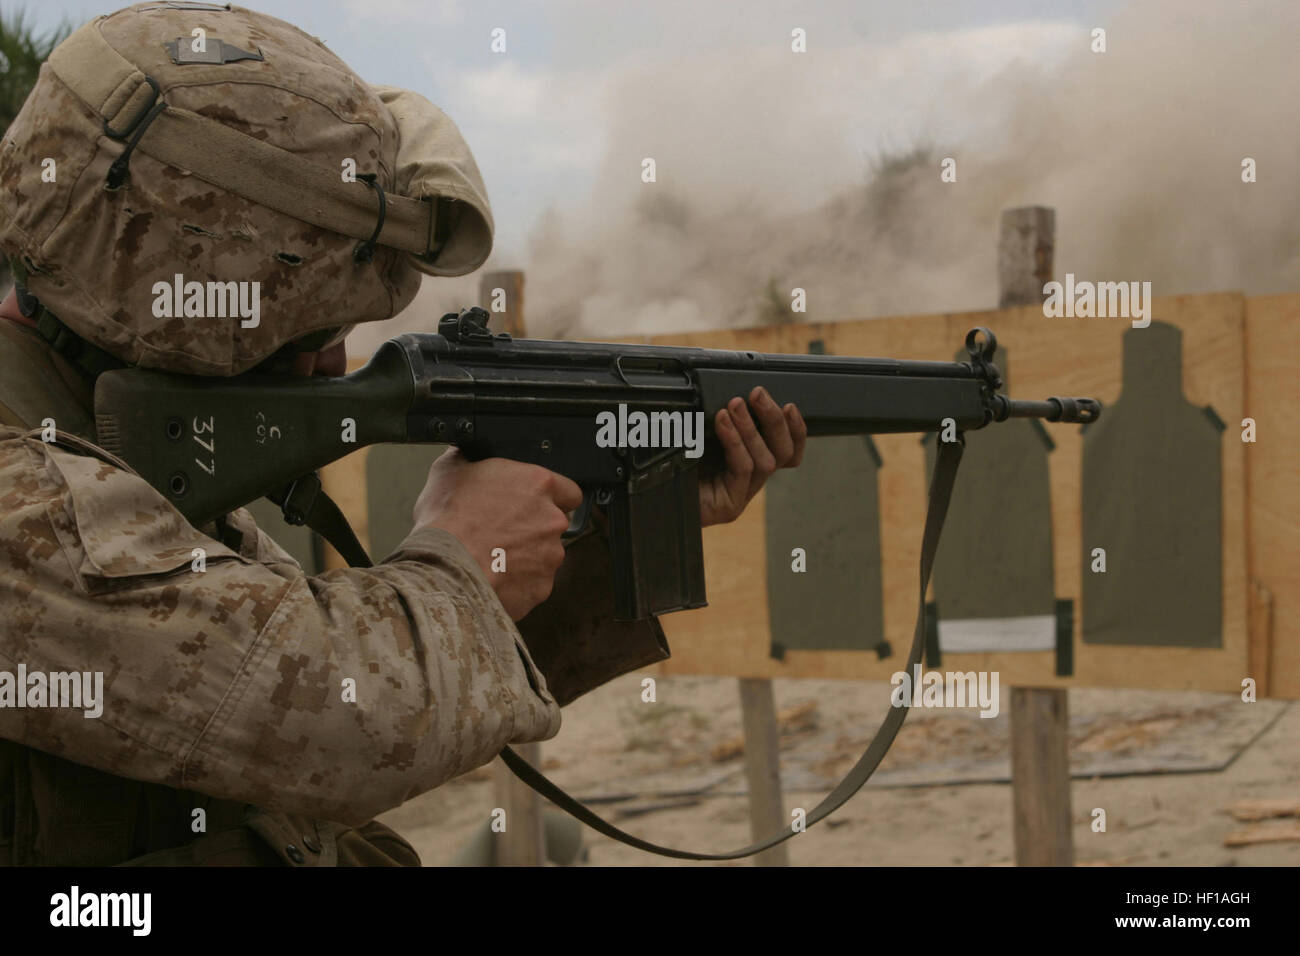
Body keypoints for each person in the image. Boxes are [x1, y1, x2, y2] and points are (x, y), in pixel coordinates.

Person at [0, 2, 805, 865]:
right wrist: (458, 559)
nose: (338, 362)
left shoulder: (102, 459)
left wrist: (599, 533)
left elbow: (319, 718)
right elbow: (326, 726)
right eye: (309, 333)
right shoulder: (27, 504)